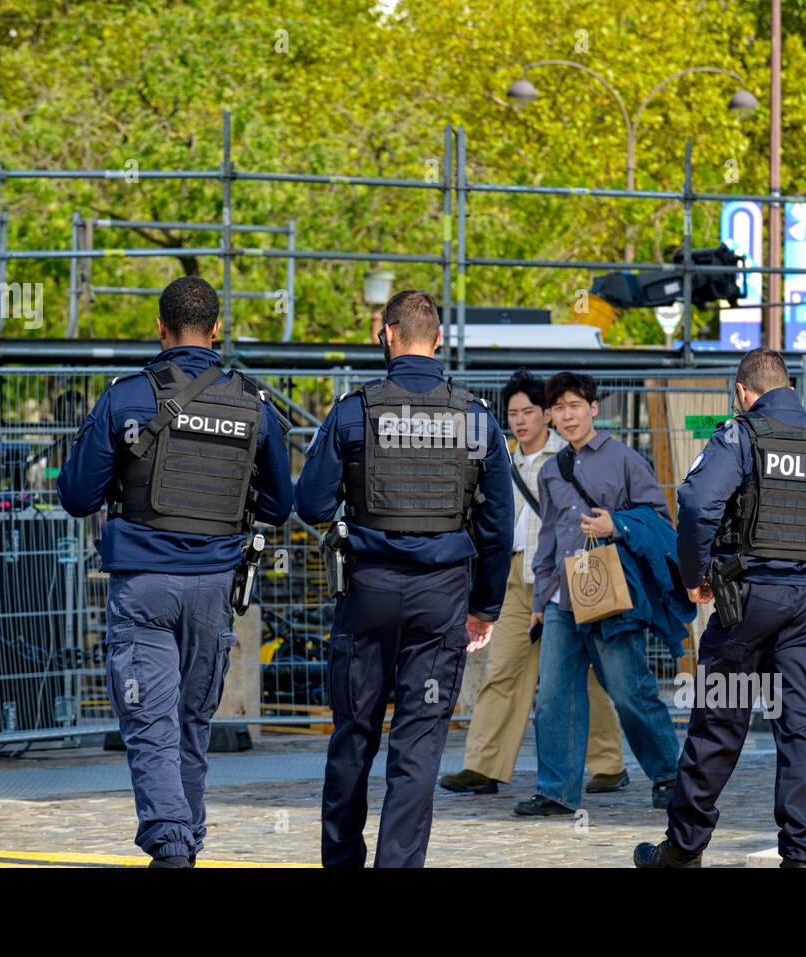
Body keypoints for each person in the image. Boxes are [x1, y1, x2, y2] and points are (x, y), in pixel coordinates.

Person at [58, 275, 293, 867]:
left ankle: (171, 847)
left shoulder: (126, 397)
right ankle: (186, 839)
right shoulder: (253, 404)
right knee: (191, 723)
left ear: (159, 328)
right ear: (217, 331)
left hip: (142, 584)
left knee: (151, 724)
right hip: (215, 587)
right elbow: (280, 504)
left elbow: (77, 495)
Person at [294, 289, 513, 868]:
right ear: (438, 340)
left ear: (385, 335)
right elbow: (498, 524)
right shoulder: (475, 417)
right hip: (440, 599)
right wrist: (485, 606)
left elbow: (312, 503)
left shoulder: (352, 410)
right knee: (419, 744)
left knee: (353, 735)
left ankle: (341, 861)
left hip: (367, 592)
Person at [635, 348, 806, 868]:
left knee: (719, 724)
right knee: (803, 727)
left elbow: (698, 505)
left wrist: (696, 578)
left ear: (743, 391)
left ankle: (684, 847)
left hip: (745, 605)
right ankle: (803, 857)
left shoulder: (739, 435)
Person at [439, 370, 627, 798]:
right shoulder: (500, 459)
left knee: (588, 674)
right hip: (513, 577)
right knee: (501, 670)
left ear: (547, 414)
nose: (520, 420)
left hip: (569, 575)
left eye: (528, 411)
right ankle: (483, 765)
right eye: (513, 413)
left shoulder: (567, 458)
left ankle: (608, 763)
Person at [515, 371, 690, 818]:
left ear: (593, 408)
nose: (567, 415)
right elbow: (550, 537)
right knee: (554, 695)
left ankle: (669, 775)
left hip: (612, 596)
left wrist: (617, 525)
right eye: (559, 408)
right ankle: (557, 791)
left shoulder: (625, 459)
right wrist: (539, 603)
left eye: (576, 405)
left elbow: (659, 519)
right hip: (561, 601)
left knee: (630, 690)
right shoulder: (554, 469)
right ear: (550, 415)